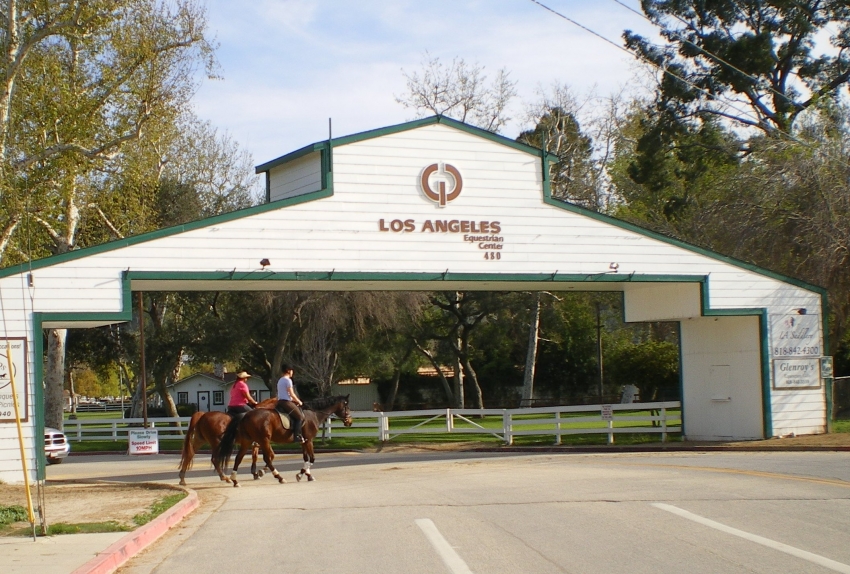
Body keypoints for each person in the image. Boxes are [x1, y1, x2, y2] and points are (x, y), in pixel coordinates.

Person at [275, 365, 306, 442]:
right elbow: (291, 394)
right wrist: (299, 401)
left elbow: (285, 393)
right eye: (292, 370)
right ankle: (297, 436)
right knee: (300, 417)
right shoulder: (288, 380)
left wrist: (293, 400)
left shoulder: (280, 380)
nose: (293, 372)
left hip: (280, 401)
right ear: (288, 371)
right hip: (286, 402)